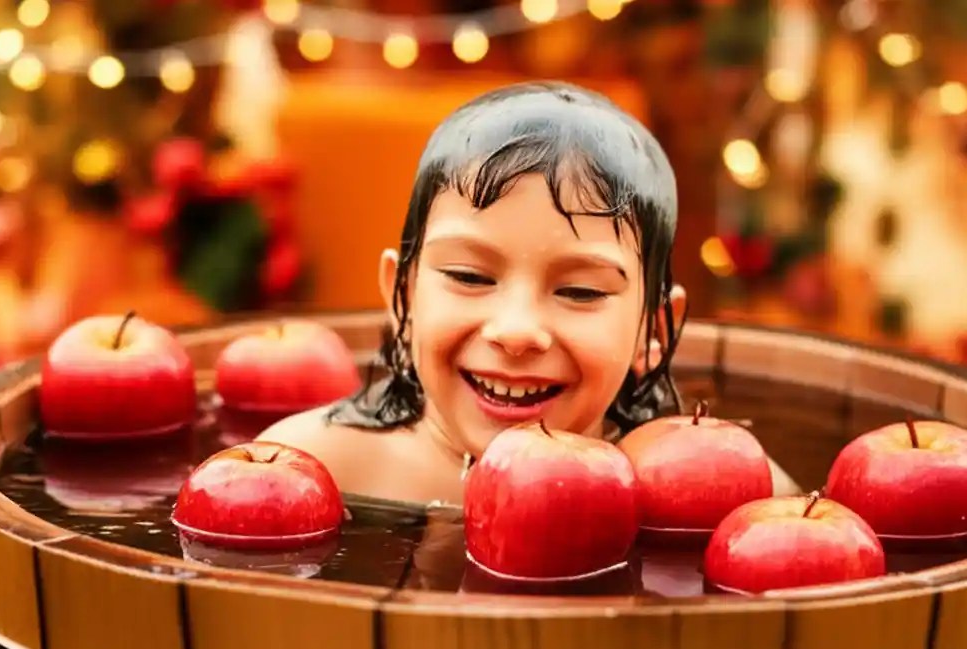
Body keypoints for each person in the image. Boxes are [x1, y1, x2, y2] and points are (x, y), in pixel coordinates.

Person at [259, 81, 795, 505]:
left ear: (652, 330)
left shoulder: (704, 486)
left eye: (580, 291)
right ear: (402, 295)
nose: (516, 331)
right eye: (470, 277)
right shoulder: (319, 467)